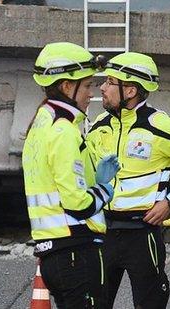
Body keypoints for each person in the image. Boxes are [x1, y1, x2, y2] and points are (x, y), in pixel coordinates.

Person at [87, 52, 170, 308]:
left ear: (130, 90)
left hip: (142, 234)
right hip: (103, 232)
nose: (101, 88)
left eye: (109, 82)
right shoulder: (100, 124)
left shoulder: (159, 125)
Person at [22, 42, 121, 309]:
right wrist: (103, 188)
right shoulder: (63, 130)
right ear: (67, 86)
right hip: (77, 250)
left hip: (56, 251)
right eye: (87, 85)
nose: (92, 93)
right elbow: (79, 205)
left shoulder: (41, 123)